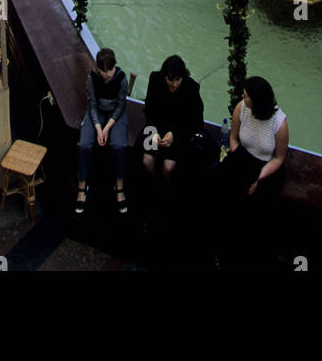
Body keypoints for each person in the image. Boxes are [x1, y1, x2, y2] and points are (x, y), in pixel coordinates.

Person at [212, 76, 288, 265]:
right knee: (217, 187)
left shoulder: (279, 122)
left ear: (256, 100)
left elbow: (279, 158)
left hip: (266, 167)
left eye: (245, 95)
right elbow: (234, 137)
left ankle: (249, 256)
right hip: (242, 157)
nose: (242, 97)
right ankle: (219, 248)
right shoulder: (241, 108)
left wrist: (258, 178)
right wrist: (236, 156)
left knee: (255, 208)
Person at [75, 48, 129, 215]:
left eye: (110, 70)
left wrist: (106, 128)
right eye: (104, 71)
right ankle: (82, 187)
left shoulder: (121, 79)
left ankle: (119, 187)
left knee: (119, 146)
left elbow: (121, 106)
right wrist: (98, 127)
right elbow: (91, 105)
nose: (108, 74)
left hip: (115, 114)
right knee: (84, 145)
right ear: (97, 68)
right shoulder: (92, 78)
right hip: (97, 111)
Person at [142, 54, 205, 182]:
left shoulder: (192, 88)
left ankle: (167, 190)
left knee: (168, 167)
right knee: (147, 161)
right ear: (164, 76)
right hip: (155, 127)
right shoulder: (155, 79)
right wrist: (154, 132)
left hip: (180, 133)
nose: (174, 84)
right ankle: (153, 184)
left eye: (178, 80)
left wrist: (174, 135)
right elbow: (149, 110)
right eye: (170, 80)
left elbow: (196, 121)